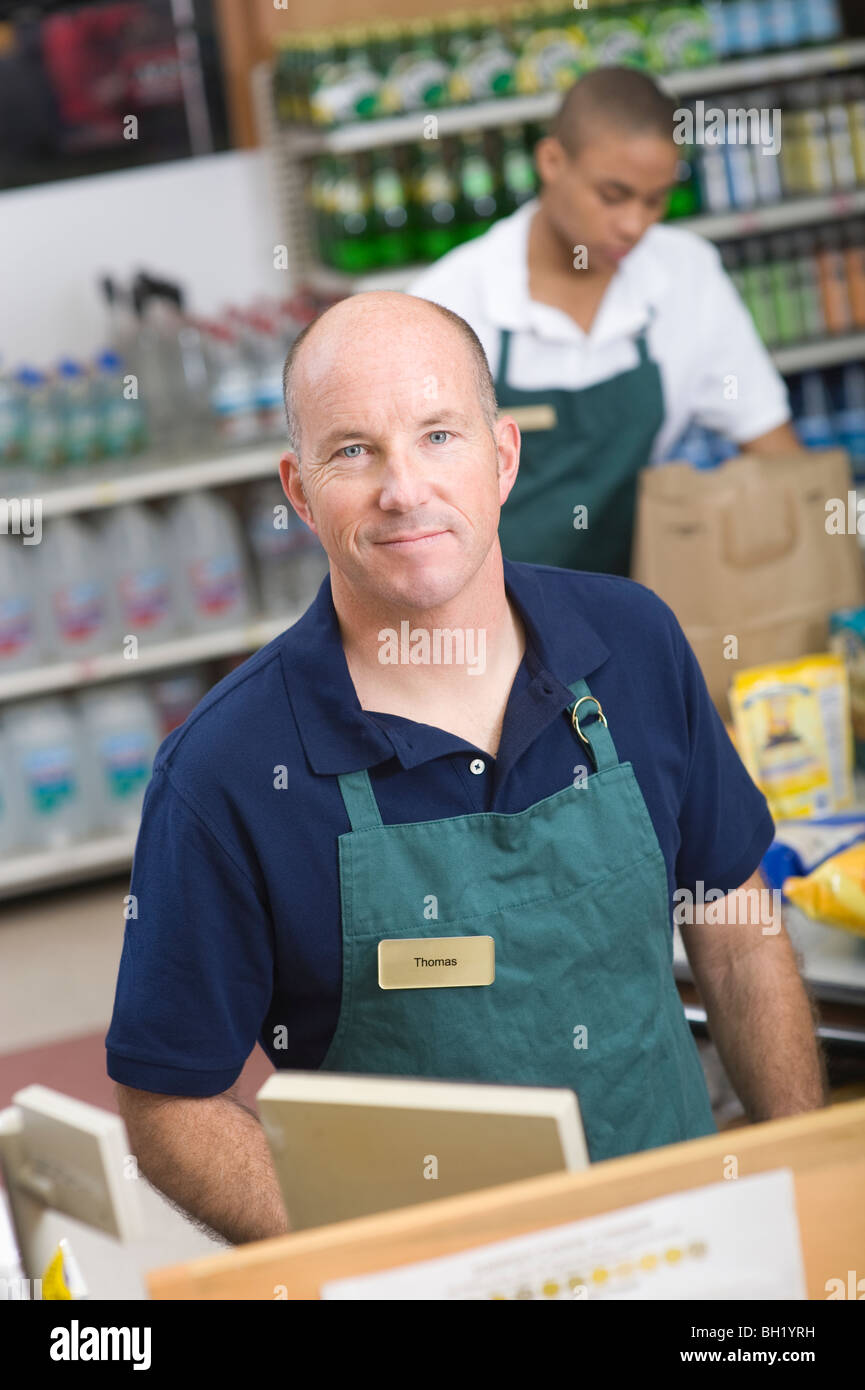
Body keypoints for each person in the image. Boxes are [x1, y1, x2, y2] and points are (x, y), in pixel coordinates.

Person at [107, 292, 824, 1246]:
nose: (403, 490)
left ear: (503, 456)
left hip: (683, 1245)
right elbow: (169, 1103)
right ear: (298, 491)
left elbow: (734, 930)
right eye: (352, 451)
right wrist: (381, 1266)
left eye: (438, 435)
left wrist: (802, 1189)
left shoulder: (632, 641)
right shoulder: (226, 773)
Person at [408, 67, 800, 577]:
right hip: (483, 611)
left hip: (632, 597)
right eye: (612, 196)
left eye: (654, 200)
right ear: (551, 161)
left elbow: (774, 449)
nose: (634, 224)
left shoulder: (686, 275)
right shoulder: (448, 302)